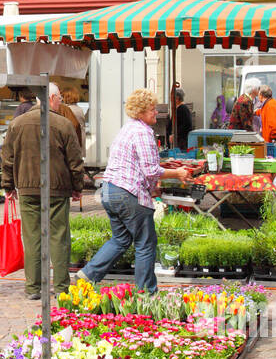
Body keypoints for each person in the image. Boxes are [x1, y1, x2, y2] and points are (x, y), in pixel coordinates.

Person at [76, 88, 196, 295]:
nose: (156, 113)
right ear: (140, 111)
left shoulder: (128, 128)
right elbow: (150, 170)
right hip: (127, 193)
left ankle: (88, 275)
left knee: (121, 239)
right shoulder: (143, 132)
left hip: (110, 190)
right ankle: (147, 293)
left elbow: (142, 170)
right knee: (145, 243)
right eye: (152, 110)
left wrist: (152, 188)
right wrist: (177, 173)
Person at [0, 82, 85, 300]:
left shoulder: (18, 123)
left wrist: (8, 186)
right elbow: (75, 161)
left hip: (27, 187)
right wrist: (77, 187)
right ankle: (61, 287)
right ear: (52, 98)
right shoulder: (63, 124)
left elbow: (7, 158)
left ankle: (33, 288)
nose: (60, 103)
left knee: (32, 238)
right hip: (56, 188)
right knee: (58, 237)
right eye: (59, 100)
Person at [256, 85, 276, 160]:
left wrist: (274, 140)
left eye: (258, 94)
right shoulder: (269, 104)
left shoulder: (271, 105)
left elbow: (275, 125)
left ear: (261, 95)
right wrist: (254, 113)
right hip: (274, 141)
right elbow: (263, 112)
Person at [173, 87, 194, 151]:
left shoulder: (182, 109)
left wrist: (175, 134)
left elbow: (186, 125)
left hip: (182, 141)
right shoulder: (179, 108)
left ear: (177, 98)